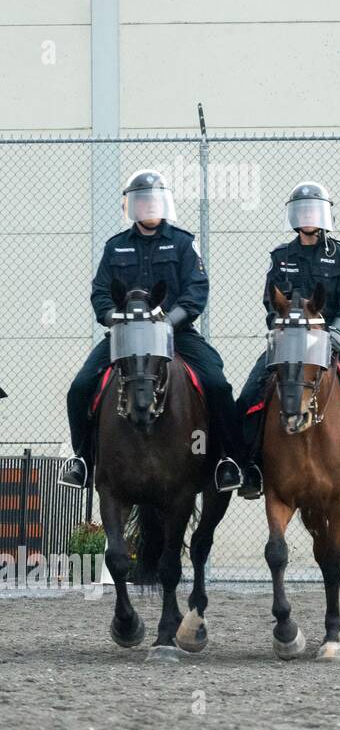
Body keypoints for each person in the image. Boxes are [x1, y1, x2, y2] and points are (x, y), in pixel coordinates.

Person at [58, 170, 243, 491]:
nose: (148, 209)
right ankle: (83, 459)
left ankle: (227, 460)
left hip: (176, 334)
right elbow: (100, 292)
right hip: (125, 335)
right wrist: (115, 318)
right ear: (131, 207)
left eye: (153, 203)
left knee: (216, 385)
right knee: (80, 386)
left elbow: (197, 290)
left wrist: (168, 321)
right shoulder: (115, 248)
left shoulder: (183, 243)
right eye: (141, 204)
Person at [236, 181, 340, 496]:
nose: (308, 217)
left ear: (324, 216)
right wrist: (282, 328)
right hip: (288, 341)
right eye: (302, 211)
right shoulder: (281, 256)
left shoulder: (339, 255)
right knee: (249, 395)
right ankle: (250, 466)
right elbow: (271, 302)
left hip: (333, 341)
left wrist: (336, 334)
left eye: (313, 211)